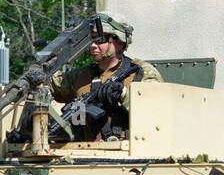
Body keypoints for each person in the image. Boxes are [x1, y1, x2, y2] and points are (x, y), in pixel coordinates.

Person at [48, 14, 161, 143]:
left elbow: (156, 112)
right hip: (84, 155)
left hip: (128, 156)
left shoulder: (141, 72)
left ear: (120, 42)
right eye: (91, 40)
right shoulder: (79, 76)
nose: (93, 46)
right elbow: (47, 86)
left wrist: (124, 94)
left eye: (100, 40)